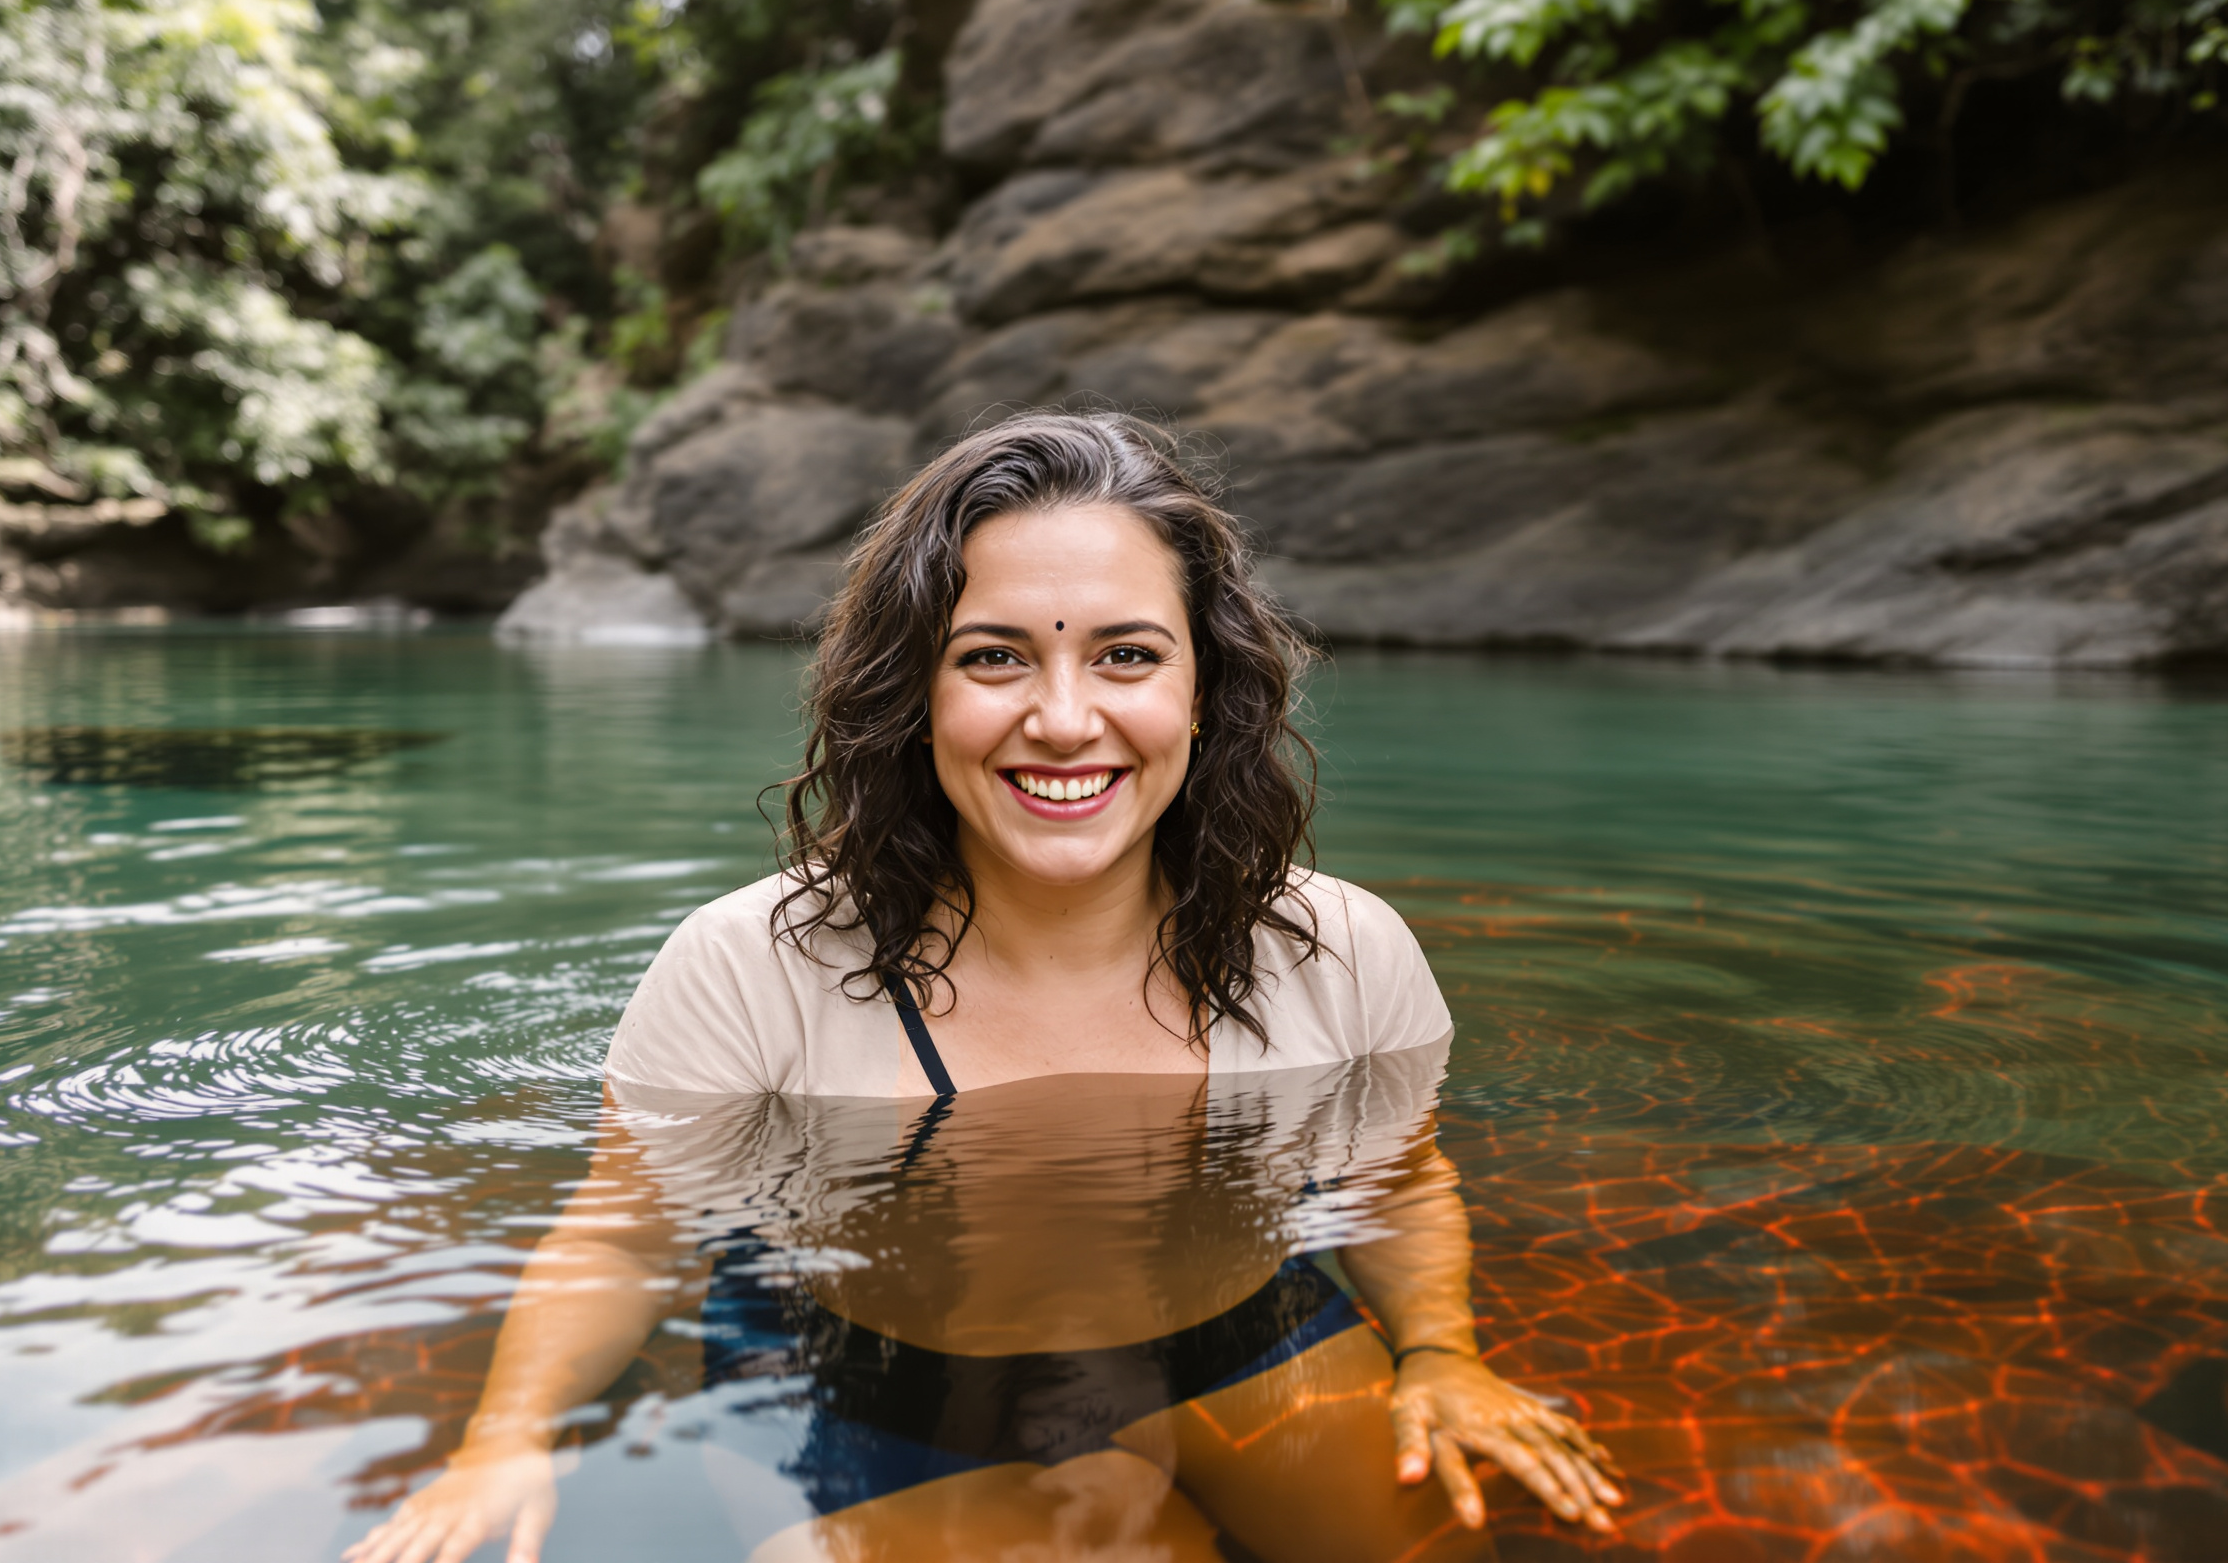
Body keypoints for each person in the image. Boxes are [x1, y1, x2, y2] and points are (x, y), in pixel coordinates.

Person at [347, 413, 1623, 1563]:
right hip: (868, 1384)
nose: (1064, 719)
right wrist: (502, 1439)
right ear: (913, 692)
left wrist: (1443, 1353)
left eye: (1127, 655)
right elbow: (624, 1233)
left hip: (1233, 1327)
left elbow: (1397, 1180)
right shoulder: (750, 964)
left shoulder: (1338, 947)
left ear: (1204, 685)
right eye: (995, 656)